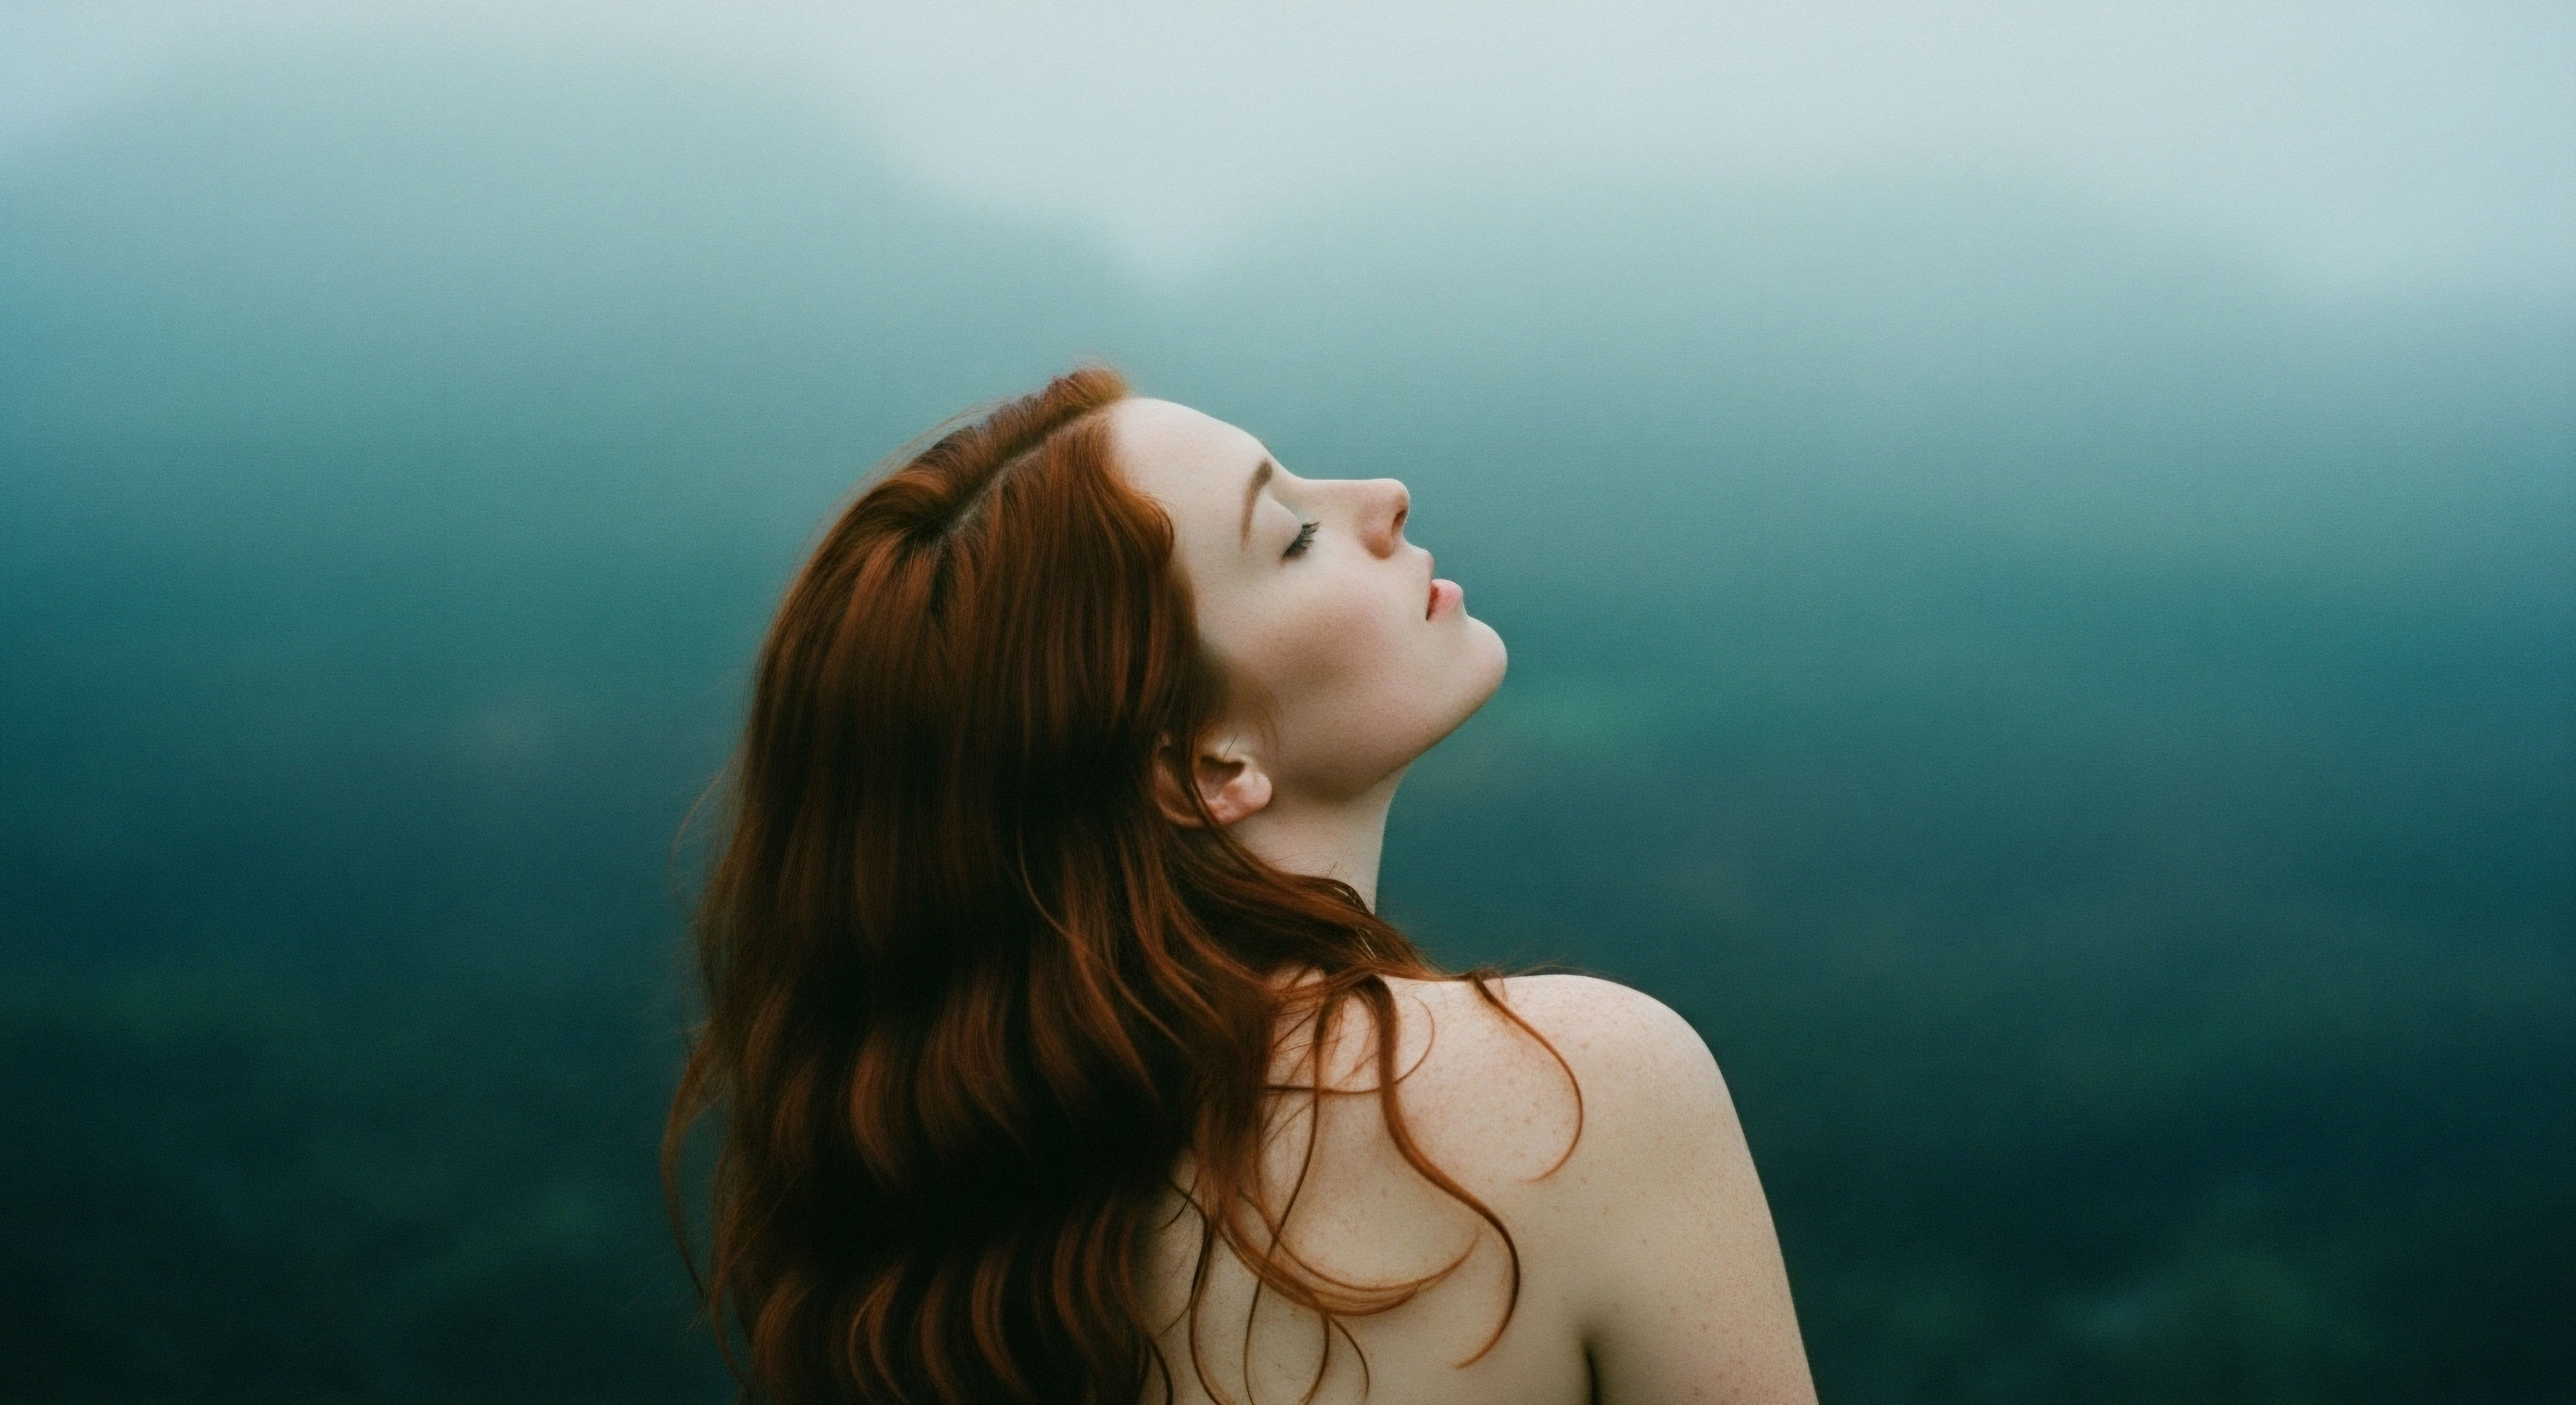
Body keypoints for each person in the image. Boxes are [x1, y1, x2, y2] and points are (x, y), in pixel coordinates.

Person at [666, 368, 1816, 1404]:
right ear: (1203, 765)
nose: (1386, 497)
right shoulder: (1578, 1097)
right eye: (1294, 536)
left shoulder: (922, 1273)